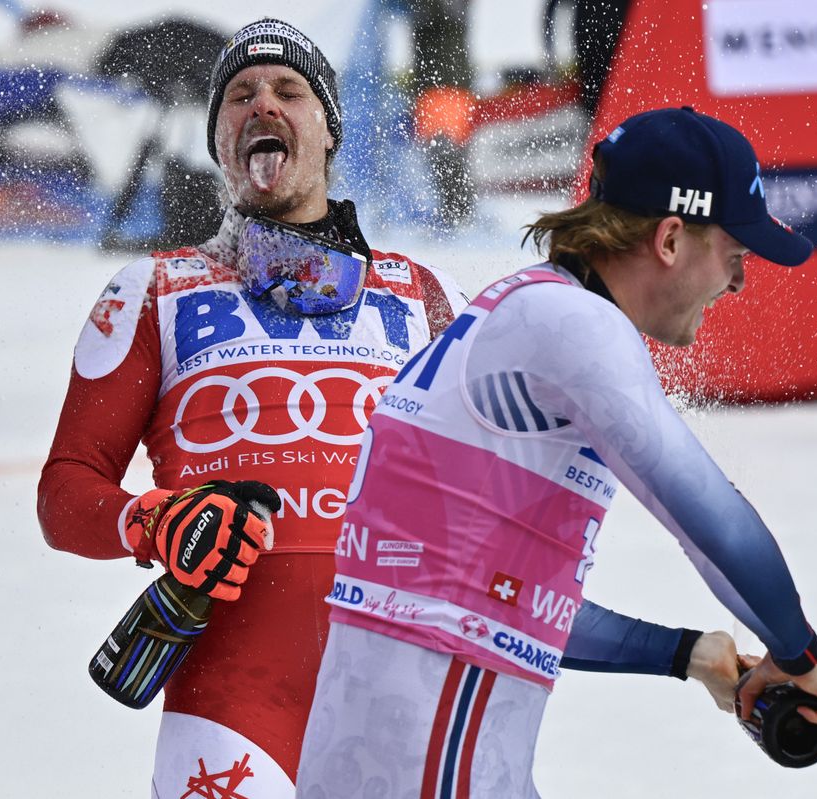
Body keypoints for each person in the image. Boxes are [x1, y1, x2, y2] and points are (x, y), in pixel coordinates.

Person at [39, 17, 743, 796]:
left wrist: (678, 651)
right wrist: (155, 520)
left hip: (400, 708)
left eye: (288, 91)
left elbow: (492, 566)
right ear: (217, 142)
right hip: (234, 710)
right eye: (238, 95)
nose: (262, 105)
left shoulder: (421, 297)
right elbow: (65, 491)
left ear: (328, 130)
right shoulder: (154, 290)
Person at [295, 106, 817, 796]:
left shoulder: (523, 309)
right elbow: (709, 518)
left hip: (405, 746)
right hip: (434, 755)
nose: (736, 283)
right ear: (671, 238)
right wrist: (800, 653)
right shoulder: (575, 326)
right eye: (734, 257)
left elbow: (500, 604)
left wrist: (682, 653)